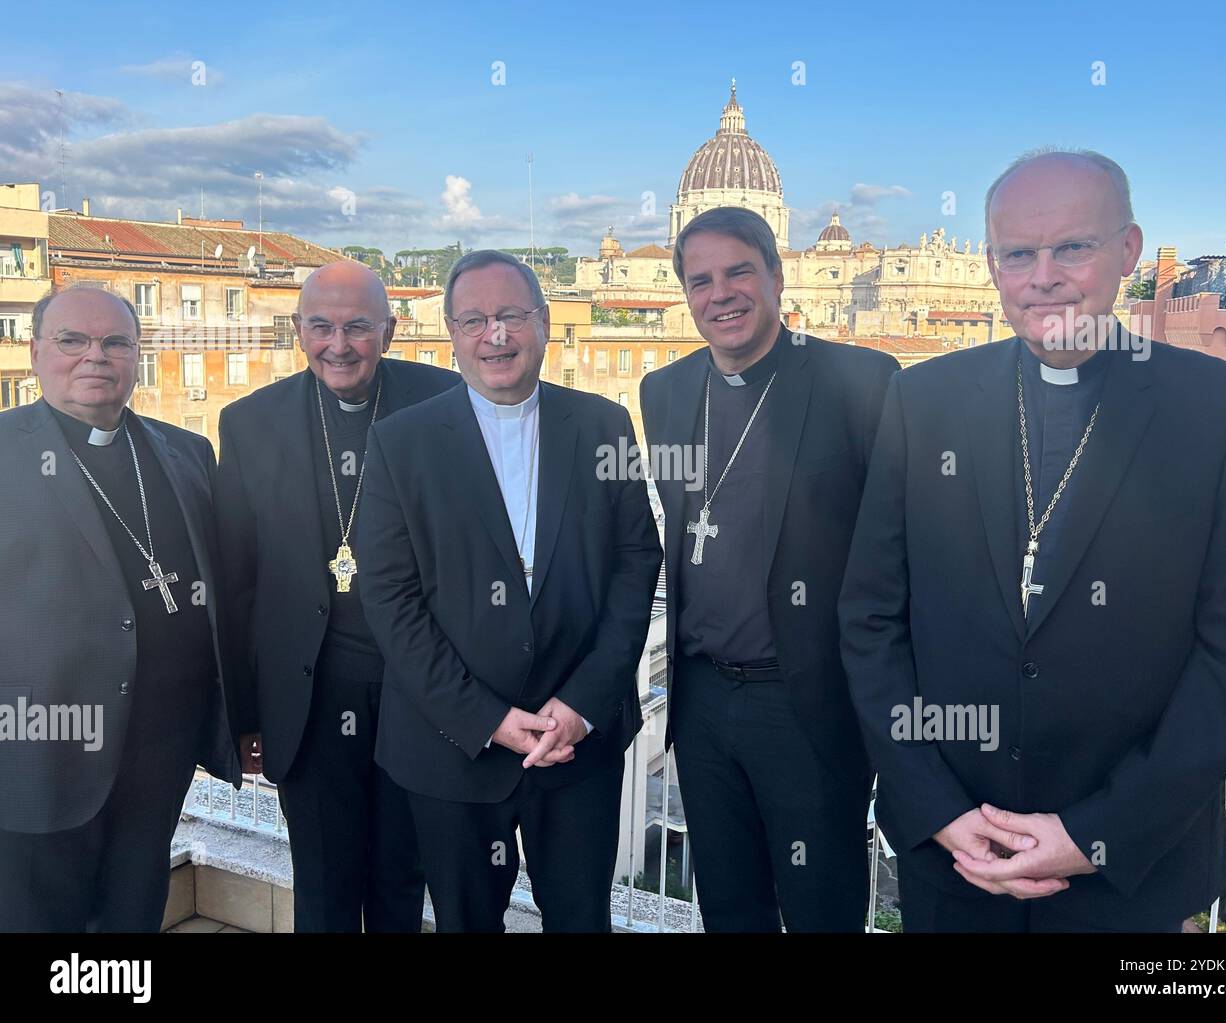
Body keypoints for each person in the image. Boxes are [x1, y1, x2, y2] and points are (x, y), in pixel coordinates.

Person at [840, 148, 1226, 932]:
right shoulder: (922, 399)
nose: (1043, 275)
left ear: (1128, 251)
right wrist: (936, 806)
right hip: (957, 862)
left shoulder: (1225, 411)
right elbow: (870, 618)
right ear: (993, 264)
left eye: (1072, 246)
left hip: (1130, 876)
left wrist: (1095, 834)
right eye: (1018, 253)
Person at [355, 250, 660, 932]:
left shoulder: (603, 425)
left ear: (545, 323)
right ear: (451, 332)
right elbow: (389, 598)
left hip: (576, 742)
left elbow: (637, 563)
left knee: (582, 919)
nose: (495, 334)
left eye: (511, 315)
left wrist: (583, 702)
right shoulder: (398, 444)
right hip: (451, 745)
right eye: (475, 319)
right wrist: (485, 717)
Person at [639, 207, 899, 931]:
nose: (719, 293)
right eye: (700, 280)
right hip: (699, 702)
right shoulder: (662, 392)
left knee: (822, 910)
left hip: (809, 706)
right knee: (728, 908)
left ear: (778, 276)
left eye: (738, 272)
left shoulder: (862, 381)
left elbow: (900, 553)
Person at [215, 261, 457, 931]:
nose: (338, 344)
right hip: (310, 696)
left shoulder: (445, 403)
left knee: (400, 882)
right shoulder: (249, 423)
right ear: (297, 329)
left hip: (417, 694)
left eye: (357, 326)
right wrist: (244, 717)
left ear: (391, 327)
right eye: (320, 326)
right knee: (321, 888)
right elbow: (236, 587)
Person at [0, 286, 241, 931]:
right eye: (72, 341)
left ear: (138, 356)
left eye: (114, 343)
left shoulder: (186, 452)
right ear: (34, 352)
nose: (94, 357)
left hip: (158, 748)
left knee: (133, 917)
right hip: (37, 748)